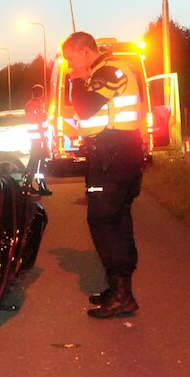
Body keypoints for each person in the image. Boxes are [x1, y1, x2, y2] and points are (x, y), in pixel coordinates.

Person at [61, 31, 145, 318]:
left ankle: (122, 295)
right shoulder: (102, 73)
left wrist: (76, 78)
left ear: (86, 52)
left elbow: (85, 108)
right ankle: (118, 289)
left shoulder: (110, 71)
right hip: (114, 154)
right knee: (116, 220)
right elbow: (94, 117)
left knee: (104, 222)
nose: (70, 64)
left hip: (114, 156)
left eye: (71, 58)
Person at [24, 84, 51, 195]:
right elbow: (41, 122)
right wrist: (44, 140)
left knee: (33, 162)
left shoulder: (28, 105)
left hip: (34, 139)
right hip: (39, 139)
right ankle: (41, 187)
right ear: (41, 93)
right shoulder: (39, 105)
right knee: (40, 164)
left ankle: (27, 185)